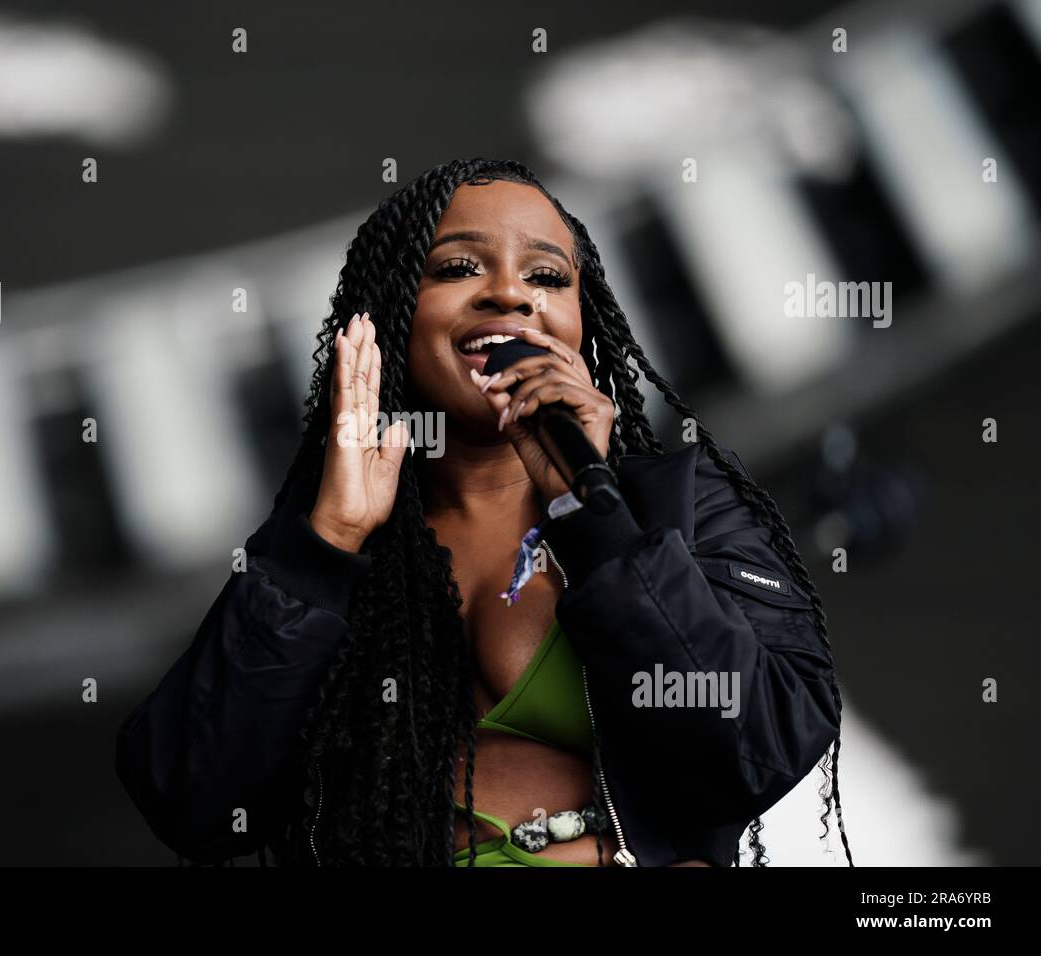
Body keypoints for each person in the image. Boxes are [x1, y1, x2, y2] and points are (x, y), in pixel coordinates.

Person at [115, 158, 853, 867]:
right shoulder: (316, 543)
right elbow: (191, 799)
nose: (509, 293)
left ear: (578, 321)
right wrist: (326, 547)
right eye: (460, 267)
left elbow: (762, 748)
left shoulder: (676, 505)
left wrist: (596, 519)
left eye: (546, 277)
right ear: (394, 308)